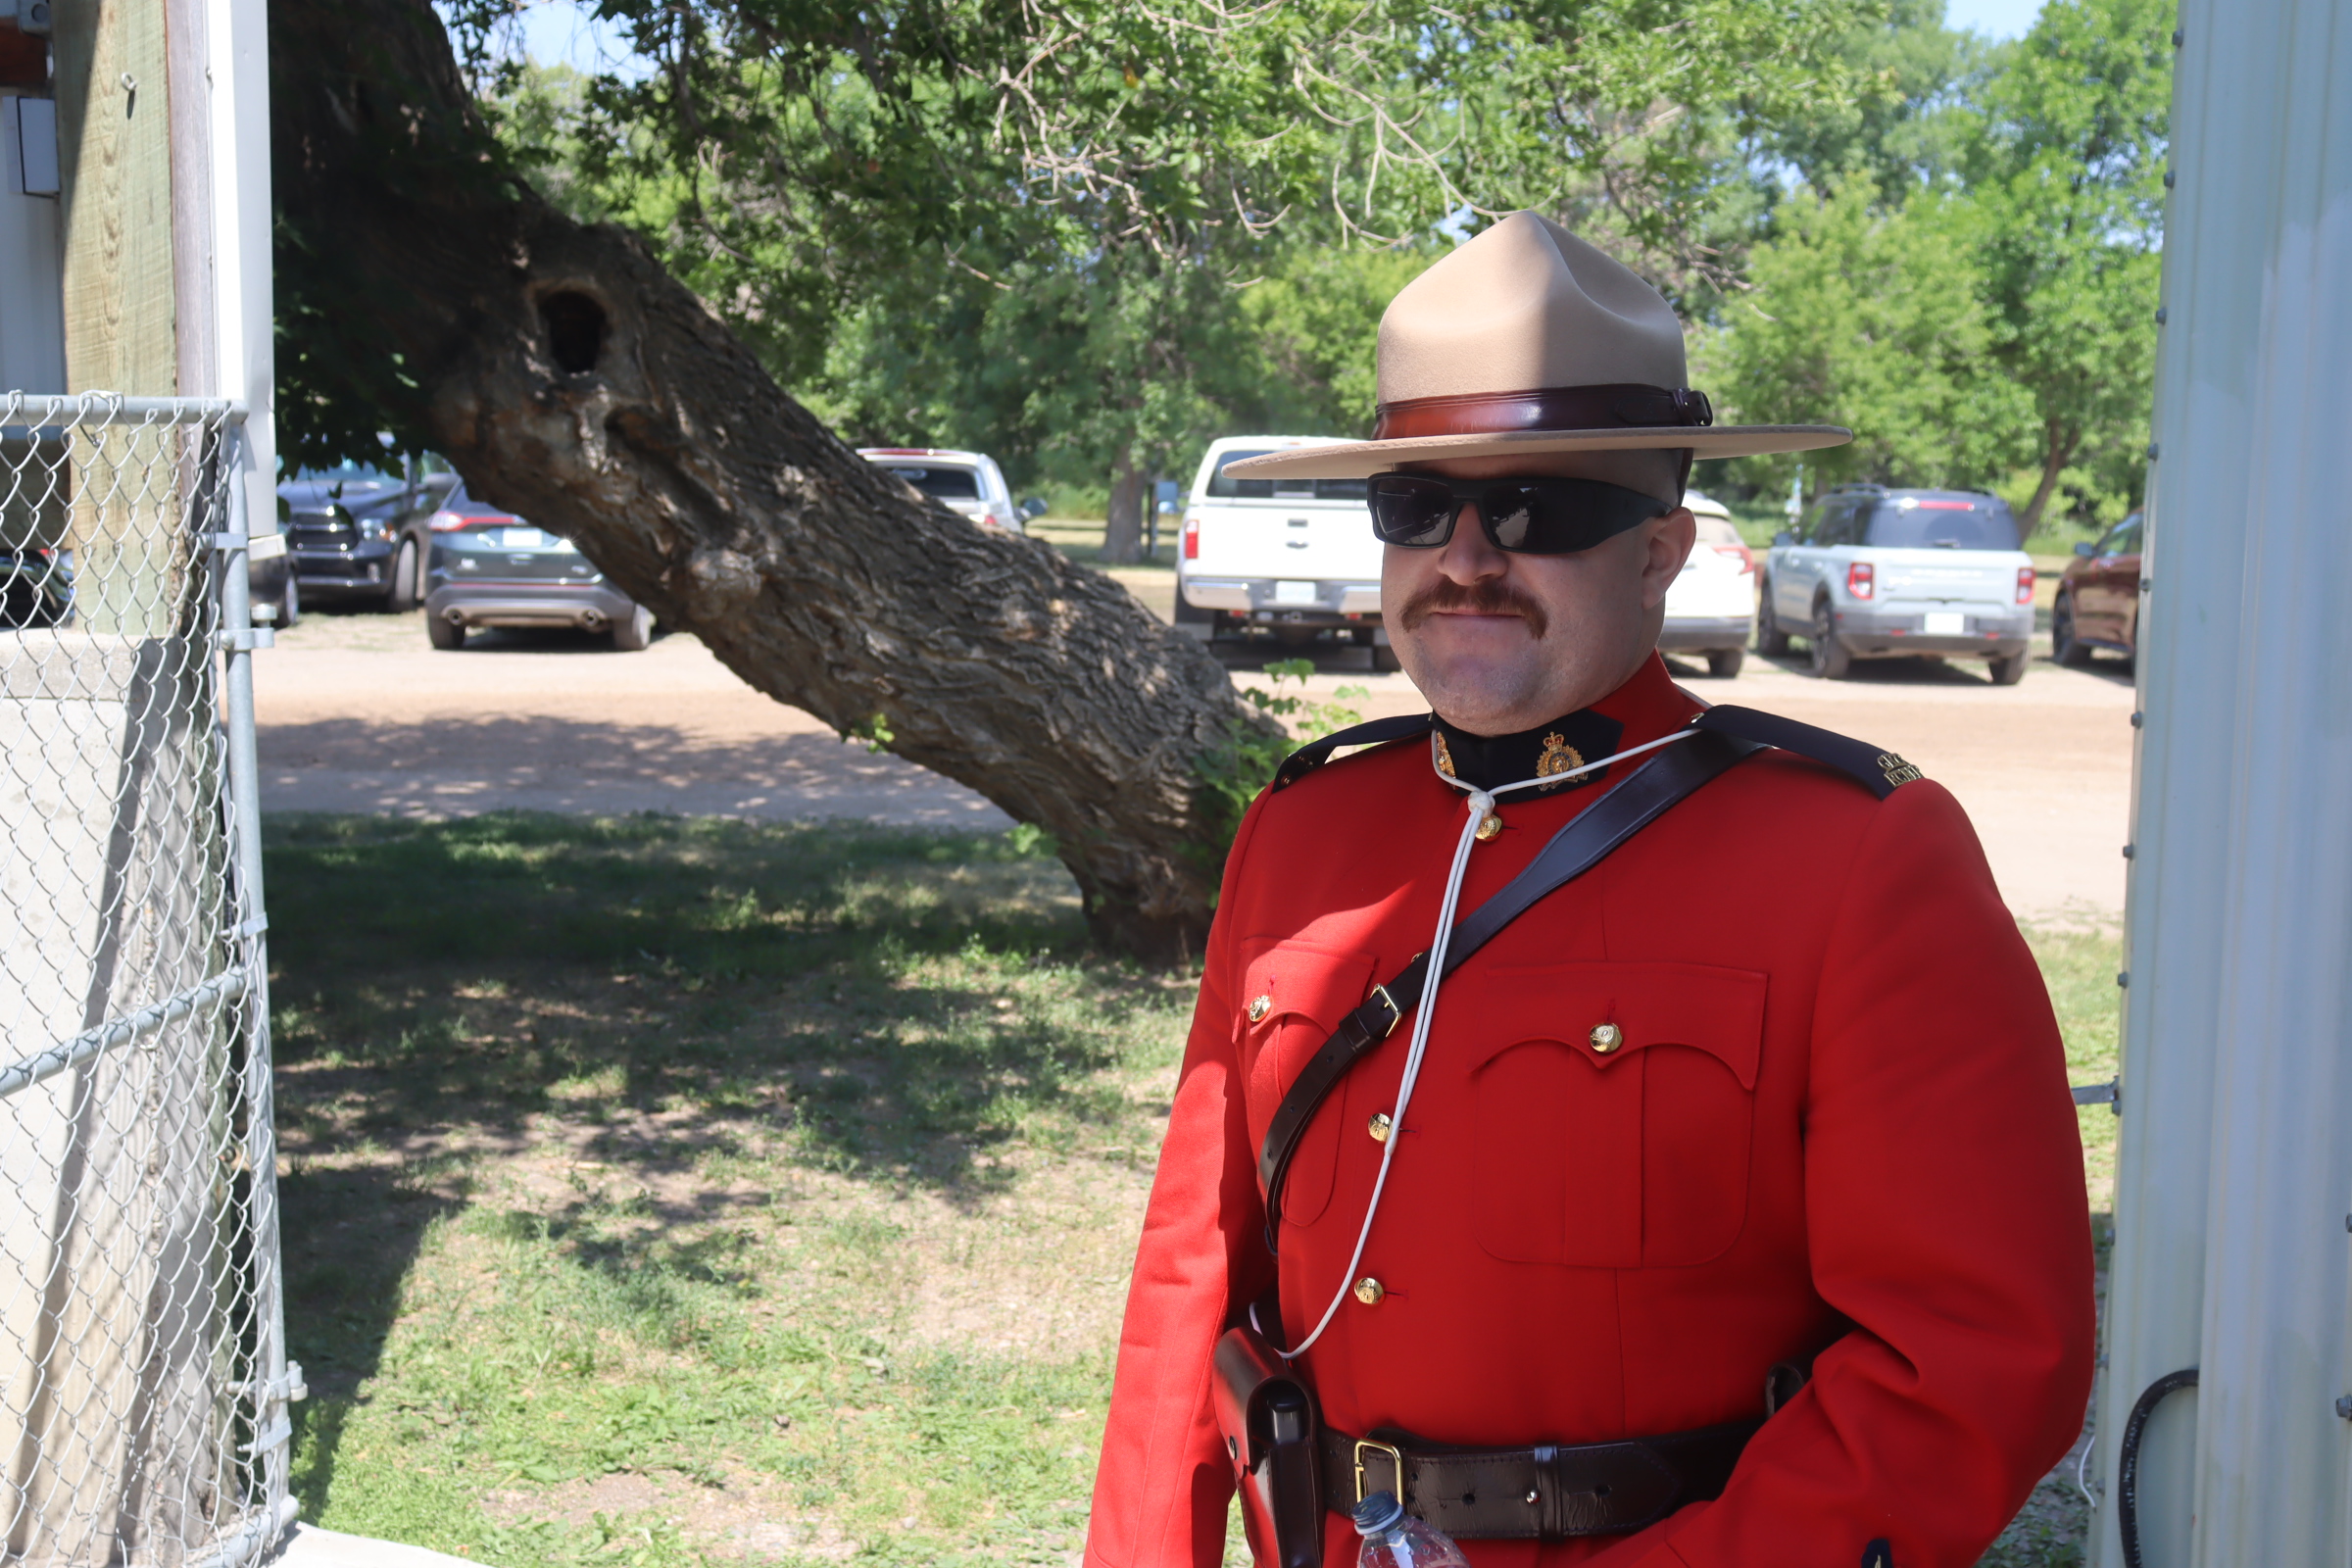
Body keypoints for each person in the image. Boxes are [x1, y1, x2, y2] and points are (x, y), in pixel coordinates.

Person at [1084, 213, 2094, 1568]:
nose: (1466, 557)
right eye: (1415, 505)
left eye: (1538, 509)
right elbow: (1190, 1270)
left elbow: (1968, 1366)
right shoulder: (1304, 830)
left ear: (1661, 552)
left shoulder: (1858, 861)